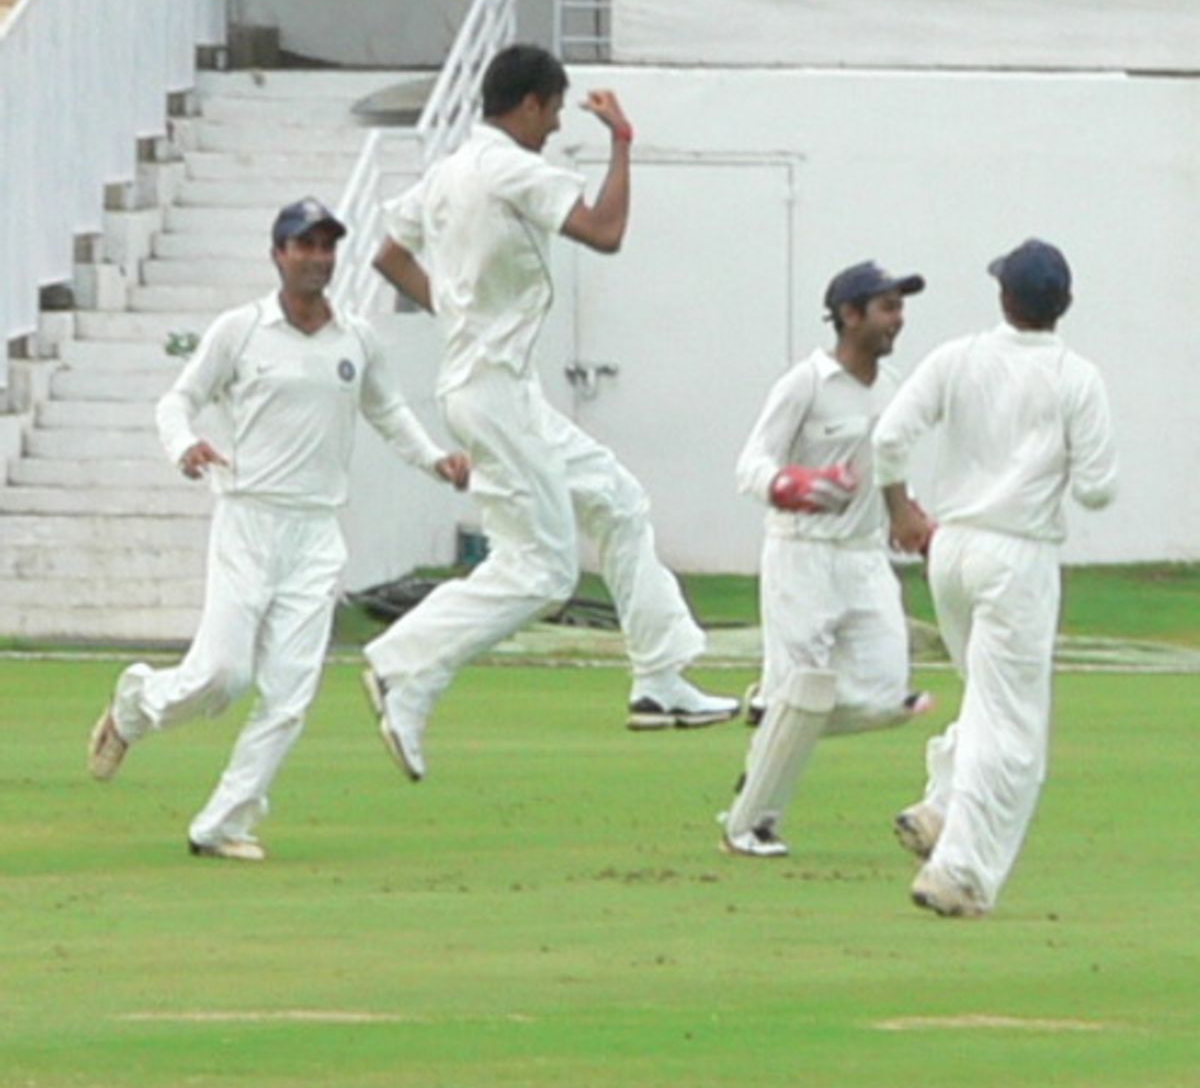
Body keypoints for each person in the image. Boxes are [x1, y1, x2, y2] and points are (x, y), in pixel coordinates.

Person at [361, 42, 739, 781]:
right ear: (530, 104)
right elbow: (605, 232)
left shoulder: (448, 171)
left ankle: (660, 680)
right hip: (493, 396)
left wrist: (460, 317)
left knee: (619, 502)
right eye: (555, 111)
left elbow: (389, 257)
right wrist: (622, 142)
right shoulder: (510, 167)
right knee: (541, 570)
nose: (557, 126)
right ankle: (405, 666)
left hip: (499, 390)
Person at [86, 198, 469, 860]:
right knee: (222, 675)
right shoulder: (240, 330)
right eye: (304, 245)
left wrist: (436, 460)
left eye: (327, 246)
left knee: (290, 695)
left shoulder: (356, 339)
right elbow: (177, 400)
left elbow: (388, 411)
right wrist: (185, 446)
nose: (318, 257)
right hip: (248, 520)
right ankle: (136, 702)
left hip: (316, 533)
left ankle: (223, 823)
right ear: (278, 255)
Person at [873, 239, 1118, 917]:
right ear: (1065, 304)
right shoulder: (1077, 378)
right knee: (1012, 729)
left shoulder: (958, 357)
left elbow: (889, 438)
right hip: (1018, 555)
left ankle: (941, 806)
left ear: (1004, 298)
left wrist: (901, 509)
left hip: (951, 550)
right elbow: (1098, 490)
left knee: (987, 695)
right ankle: (960, 871)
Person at [720, 261, 934, 858]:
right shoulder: (805, 384)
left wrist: (907, 516)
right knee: (806, 690)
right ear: (849, 314)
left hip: (865, 559)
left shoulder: (893, 388)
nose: (898, 319)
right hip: (801, 555)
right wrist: (794, 485)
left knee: (887, 694)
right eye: (887, 307)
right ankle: (749, 825)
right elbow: (751, 465)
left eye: (900, 307)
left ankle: (774, 710)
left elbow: (890, 465)